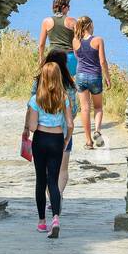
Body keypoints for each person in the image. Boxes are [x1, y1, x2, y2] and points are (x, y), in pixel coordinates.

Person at [24, 60, 74, 238]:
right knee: (53, 181)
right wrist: (66, 139)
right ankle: (56, 218)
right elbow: (70, 123)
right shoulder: (64, 98)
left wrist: (32, 118)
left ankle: (42, 222)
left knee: (41, 181)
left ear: (43, 78)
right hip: (57, 139)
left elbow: (32, 127)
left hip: (41, 139)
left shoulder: (35, 99)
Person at [32, 50, 78, 199]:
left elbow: (33, 104)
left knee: (46, 171)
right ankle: (57, 196)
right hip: (63, 132)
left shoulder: (39, 82)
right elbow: (74, 110)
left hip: (42, 132)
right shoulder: (69, 85)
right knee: (62, 169)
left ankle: (52, 197)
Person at [72, 15, 110, 149]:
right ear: (89, 25)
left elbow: (78, 58)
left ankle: (88, 142)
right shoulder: (98, 40)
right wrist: (107, 77)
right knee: (98, 107)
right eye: (92, 25)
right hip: (95, 76)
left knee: (85, 109)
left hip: (80, 76)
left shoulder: (75, 41)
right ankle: (97, 131)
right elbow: (102, 61)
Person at [38, 0, 78, 77]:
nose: (69, 9)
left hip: (53, 58)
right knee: (69, 85)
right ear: (63, 7)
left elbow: (41, 44)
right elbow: (78, 43)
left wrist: (41, 59)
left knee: (53, 84)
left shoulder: (46, 21)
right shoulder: (73, 21)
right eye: (68, 6)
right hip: (70, 58)